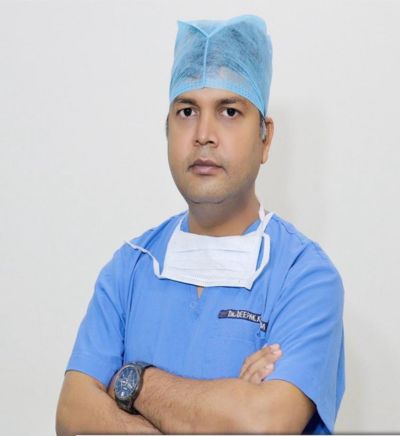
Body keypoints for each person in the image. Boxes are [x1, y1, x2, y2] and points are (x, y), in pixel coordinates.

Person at [56, 14, 345, 435]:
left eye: (230, 111)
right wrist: (224, 407)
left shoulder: (304, 278)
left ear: (265, 138)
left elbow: (260, 424)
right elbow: (72, 416)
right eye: (187, 111)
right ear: (167, 129)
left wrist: (133, 382)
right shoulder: (129, 269)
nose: (204, 134)